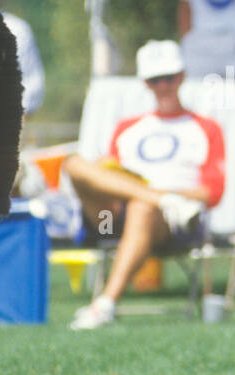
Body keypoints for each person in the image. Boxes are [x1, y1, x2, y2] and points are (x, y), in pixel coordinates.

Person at [65, 40, 225, 330]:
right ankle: (155, 199)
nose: (163, 86)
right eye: (155, 80)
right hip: (112, 215)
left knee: (142, 207)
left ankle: (104, 304)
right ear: (145, 83)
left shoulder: (207, 128)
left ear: (181, 77)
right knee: (74, 163)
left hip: (172, 222)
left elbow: (213, 191)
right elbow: (109, 176)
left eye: (169, 78)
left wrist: (162, 198)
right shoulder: (127, 127)